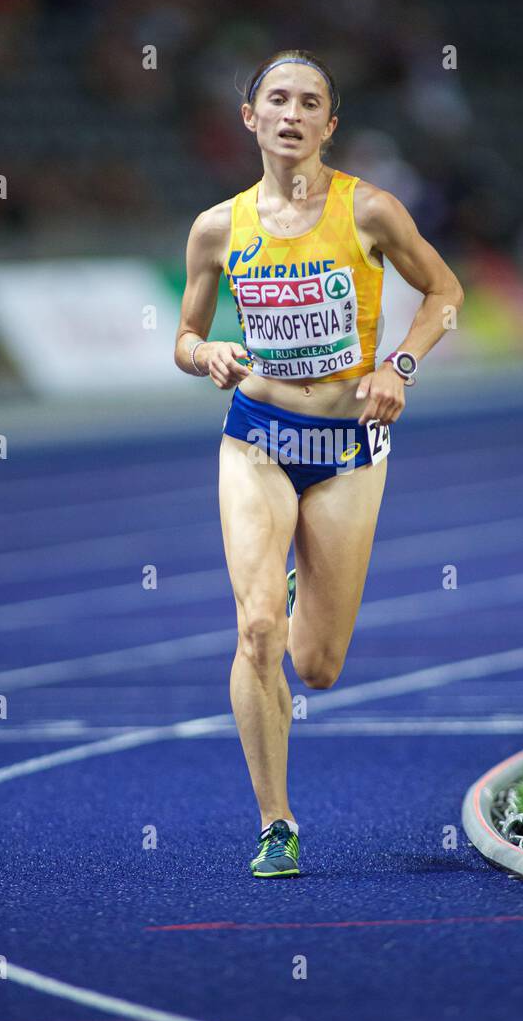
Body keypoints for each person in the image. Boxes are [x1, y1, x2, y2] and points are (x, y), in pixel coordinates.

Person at [174, 49, 464, 876]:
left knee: (319, 666)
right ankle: (277, 824)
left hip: (345, 452)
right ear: (251, 117)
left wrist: (397, 366)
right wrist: (209, 354)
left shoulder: (370, 210)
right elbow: (184, 338)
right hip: (256, 437)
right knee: (256, 627)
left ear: (330, 126)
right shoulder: (218, 228)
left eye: (309, 102)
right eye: (277, 98)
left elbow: (446, 294)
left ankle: (297, 592)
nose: (292, 113)